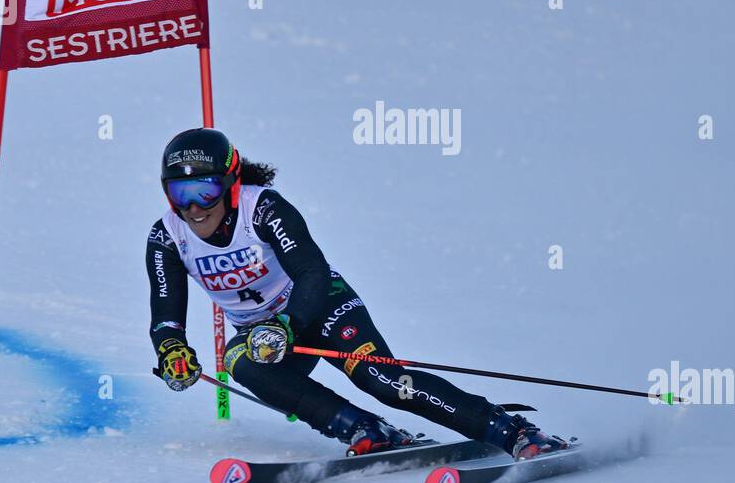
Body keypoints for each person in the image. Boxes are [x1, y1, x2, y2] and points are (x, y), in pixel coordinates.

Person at [145, 127, 568, 459]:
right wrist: (171, 351)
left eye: (206, 190)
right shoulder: (168, 236)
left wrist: (288, 323)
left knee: (381, 379)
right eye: (180, 193)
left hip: (319, 306)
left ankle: (510, 430)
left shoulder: (265, 209)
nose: (195, 207)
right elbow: (166, 314)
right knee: (241, 362)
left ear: (231, 183)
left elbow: (312, 271)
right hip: (263, 334)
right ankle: (364, 429)